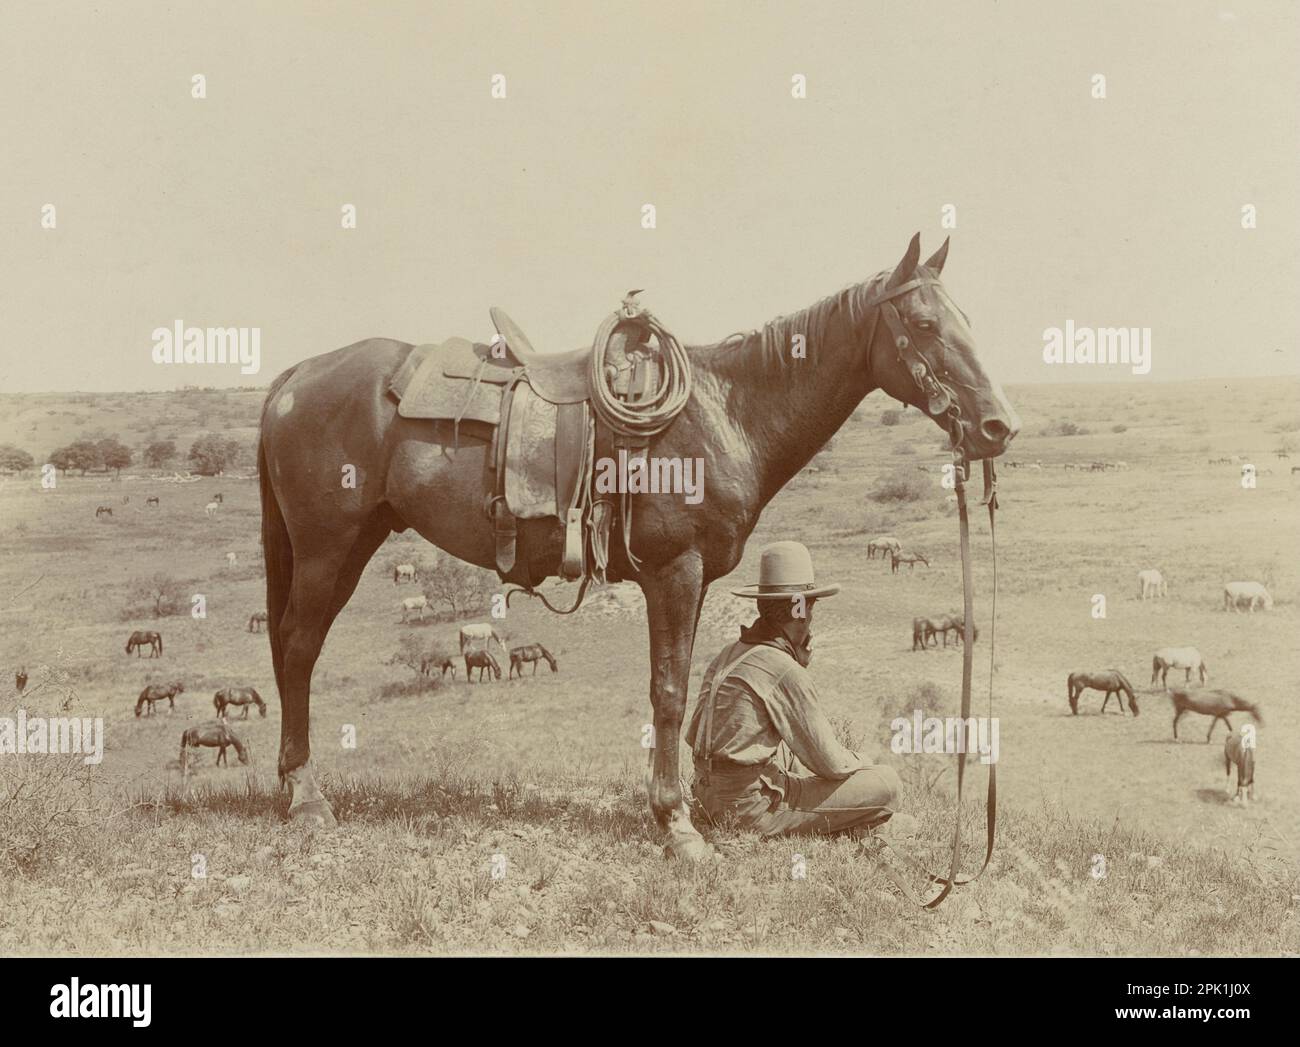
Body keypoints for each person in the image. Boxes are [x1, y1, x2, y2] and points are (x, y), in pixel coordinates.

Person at [685, 541, 901, 838]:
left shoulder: (729, 653)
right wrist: (863, 763)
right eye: (809, 607)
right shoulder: (782, 668)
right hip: (749, 810)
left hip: (705, 798)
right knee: (887, 783)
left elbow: (694, 736)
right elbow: (831, 764)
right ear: (801, 609)